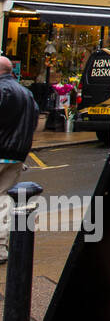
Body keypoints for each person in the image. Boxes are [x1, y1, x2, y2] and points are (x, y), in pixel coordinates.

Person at [0, 56, 38, 262]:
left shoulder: (2, 90)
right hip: (15, 155)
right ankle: (1, 248)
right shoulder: (27, 93)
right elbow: (32, 123)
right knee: (3, 199)